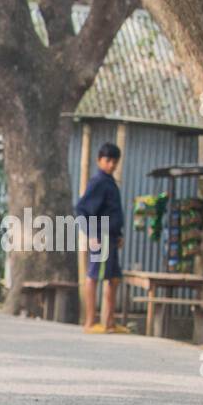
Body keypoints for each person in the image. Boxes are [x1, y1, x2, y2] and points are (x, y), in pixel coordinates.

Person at [76, 142, 129, 333]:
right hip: (100, 235)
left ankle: (109, 322)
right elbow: (81, 209)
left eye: (115, 161)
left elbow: (111, 210)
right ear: (99, 160)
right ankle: (90, 321)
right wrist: (90, 234)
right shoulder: (98, 181)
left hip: (112, 236)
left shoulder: (110, 182)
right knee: (94, 276)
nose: (112, 164)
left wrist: (119, 234)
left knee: (113, 278)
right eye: (108, 160)